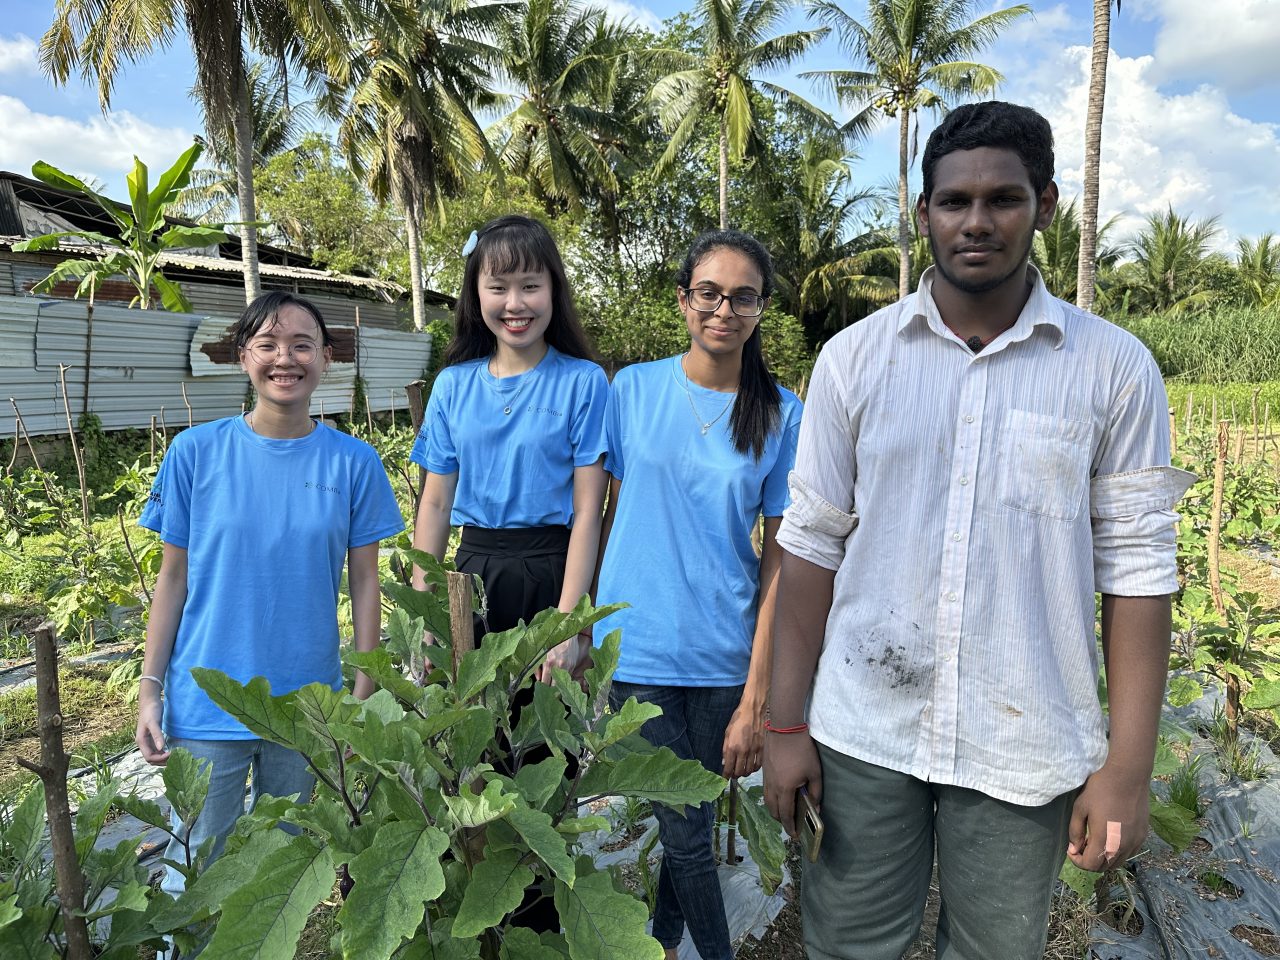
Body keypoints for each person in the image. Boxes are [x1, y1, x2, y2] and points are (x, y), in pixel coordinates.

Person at [762, 101, 1196, 960]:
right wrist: (783, 726)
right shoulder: (855, 359)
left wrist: (1128, 770)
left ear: (1045, 204)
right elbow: (809, 548)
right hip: (864, 725)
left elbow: (1139, 571)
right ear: (924, 212)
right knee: (848, 945)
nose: (976, 221)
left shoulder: (1113, 369)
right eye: (955, 201)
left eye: (1003, 199)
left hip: (1023, 736)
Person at [135, 291, 405, 904]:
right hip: (206, 702)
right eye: (268, 345)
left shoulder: (354, 462)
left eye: (302, 345)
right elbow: (172, 579)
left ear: (327, 358)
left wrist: (362, 692)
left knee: (281, 880)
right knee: (197, 878)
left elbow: (365, 582)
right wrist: (150, 689)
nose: (286, 358)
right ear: (243, 357)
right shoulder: (194, 453)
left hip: (305, 706)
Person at [594, 229, 803, 960]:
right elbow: (603, 514)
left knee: (690, 817)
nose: (724, 310)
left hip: (723, 652)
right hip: (635, 643)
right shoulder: (631, 389)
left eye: (743, 297)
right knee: (684, 827)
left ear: (761, 309)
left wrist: (756, 698)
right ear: (683, 300)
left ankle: (661, 942)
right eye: (709, 293)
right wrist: (580, 624)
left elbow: (780, 560)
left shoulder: (780, 412)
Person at [410, 213, 608, 689]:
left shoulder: (584, 382)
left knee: (545, 728)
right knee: (470, 723)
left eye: (530, 286)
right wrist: (424, 612)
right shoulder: (452, 385)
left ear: (553, 291)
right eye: (498, 287)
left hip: (553, 573)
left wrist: (567, 625)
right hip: (471, 574)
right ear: (476, 294)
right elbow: (435, 505)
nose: (515, 303)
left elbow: (589, 512)